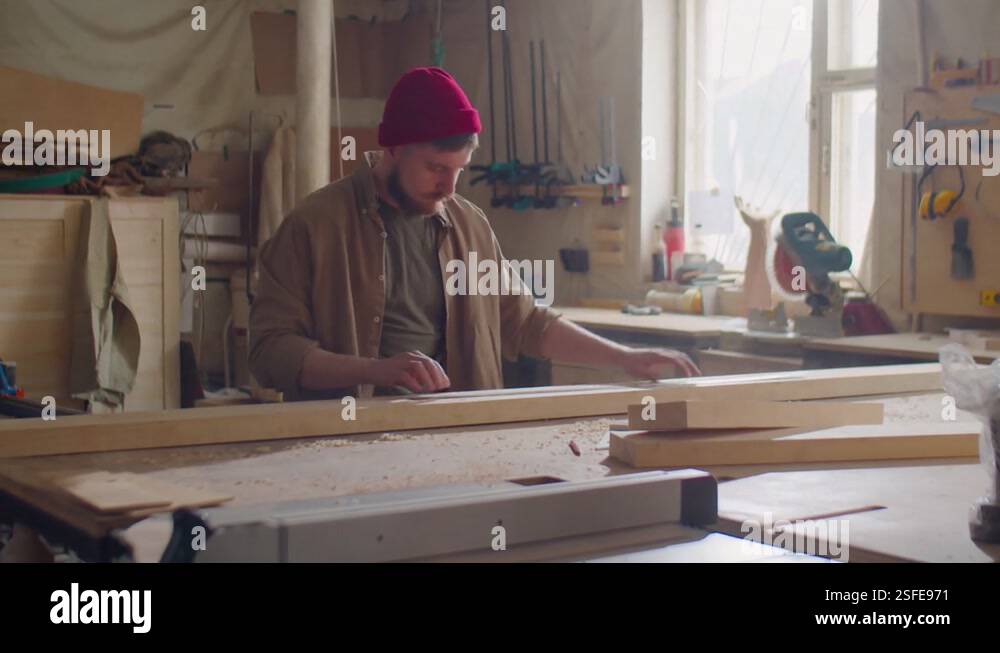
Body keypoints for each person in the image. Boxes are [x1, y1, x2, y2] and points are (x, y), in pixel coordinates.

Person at [249, 67, 699, 400]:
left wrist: (624, 358)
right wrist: (377, 370)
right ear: (392, 148)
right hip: (347, 448)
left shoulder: (468, 226)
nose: (448, 187)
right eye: (434, 169)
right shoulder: (316, 225)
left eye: (459, 171)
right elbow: (271, 352)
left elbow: (523, 322)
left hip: (455, 439)